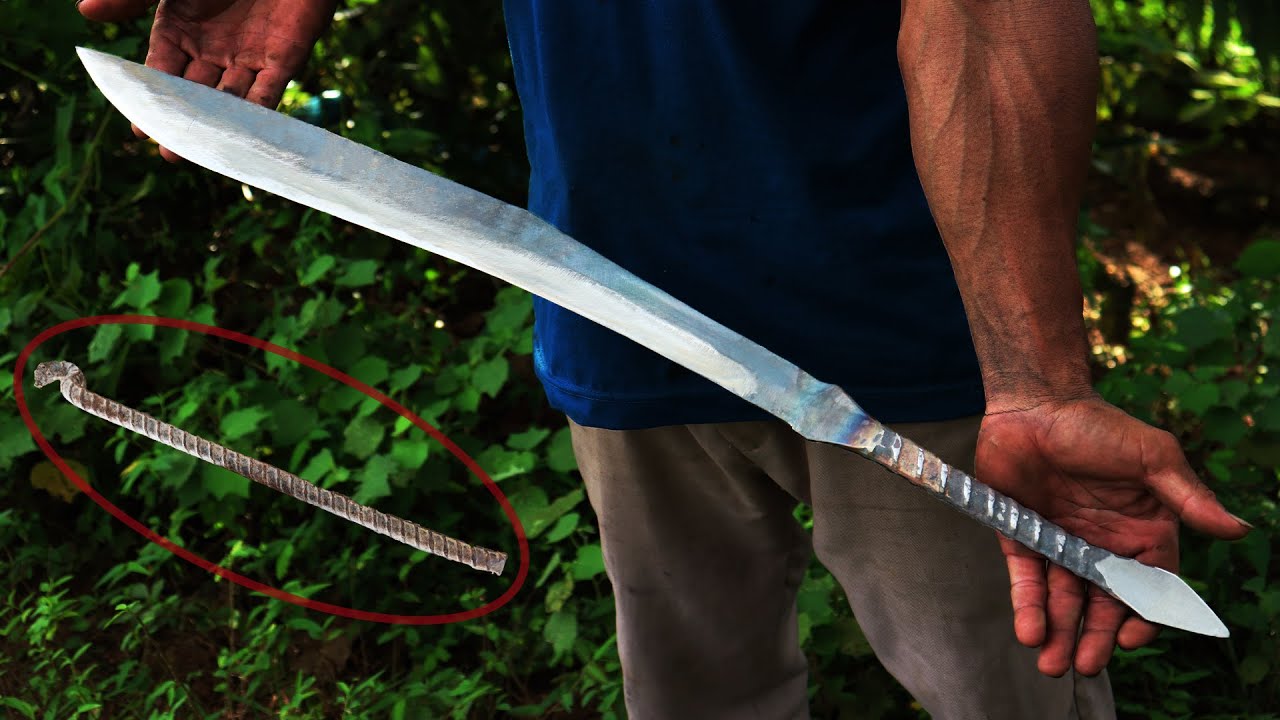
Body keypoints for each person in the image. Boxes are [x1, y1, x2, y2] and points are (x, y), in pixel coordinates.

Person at [79, 1, 1253, 718]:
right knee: (696, 698)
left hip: (912, 327)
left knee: (1002, 691)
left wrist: (1034, 374)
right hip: (614, 300)